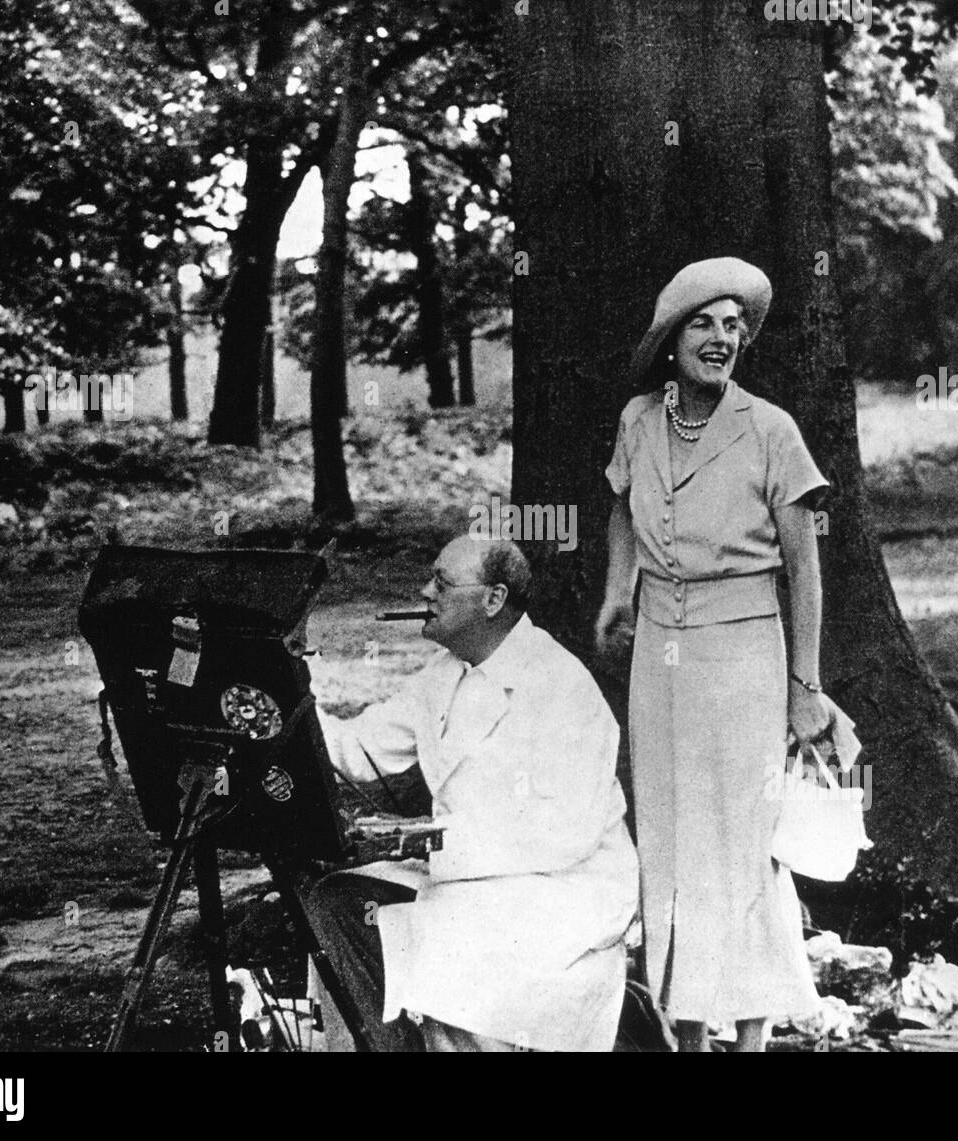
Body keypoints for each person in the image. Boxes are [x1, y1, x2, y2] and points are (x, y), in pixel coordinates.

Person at [595, 257, 836, 1053]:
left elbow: (803, 566)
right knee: (668, 834)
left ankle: (754, 1031)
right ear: (672, 339)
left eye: (734, 325)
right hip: (659, 652)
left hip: (743, 653)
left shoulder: (769, 429)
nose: (722, 338)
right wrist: (617, 593)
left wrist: (806, 686)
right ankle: (688, 1028)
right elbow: (623, 509)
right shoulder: (638, 419)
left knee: (741, 835)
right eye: (705, 323)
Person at [306, 535, 640, 1051]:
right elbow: (356, 750)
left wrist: (436, 843)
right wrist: (295, 683)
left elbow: (567, 834)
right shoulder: (442, 675)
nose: (425, 591)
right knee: (338, 902)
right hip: (469, 877)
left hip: (562, 887)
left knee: (455, 938)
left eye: (441, 582)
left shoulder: (560, 685)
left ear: (493, 599)